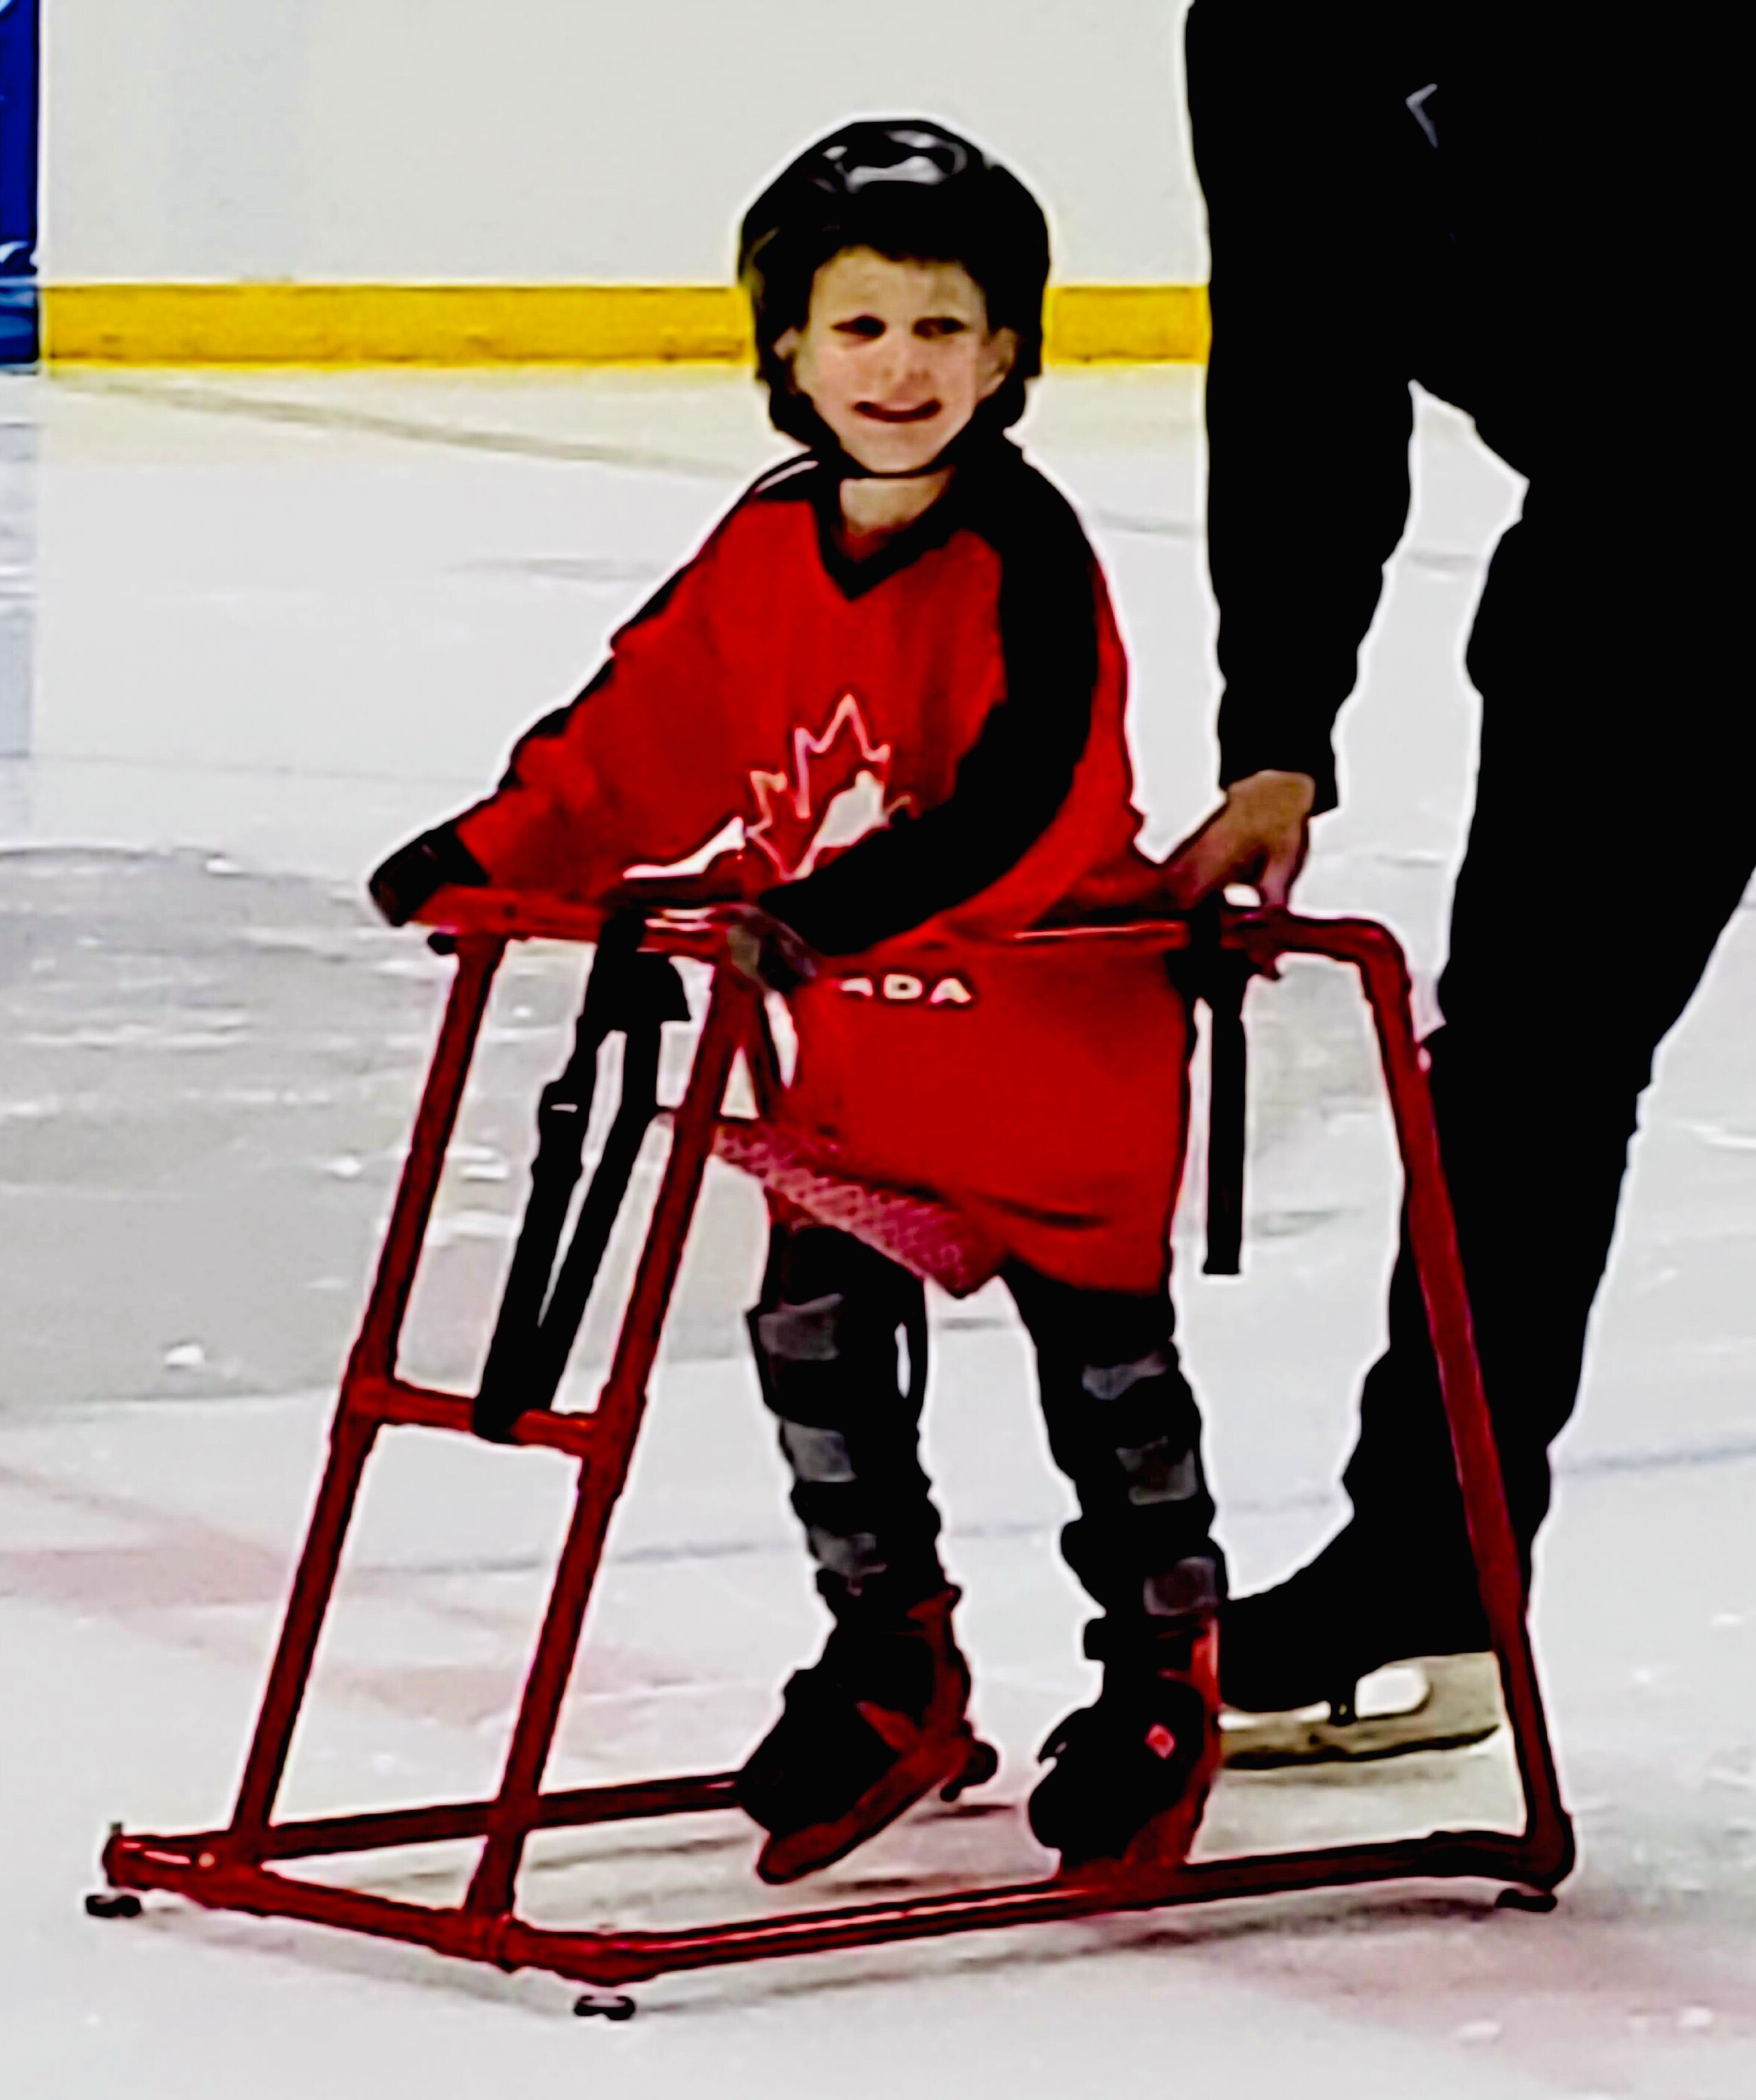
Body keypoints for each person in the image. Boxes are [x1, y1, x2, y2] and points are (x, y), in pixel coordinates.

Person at [369, 120, 1227, 1883]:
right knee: (814, 1347)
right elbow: (644, 730)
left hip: (1048, 1051)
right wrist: (492, 849)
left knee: (1106, 1378)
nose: (899, 369)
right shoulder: (767, 543)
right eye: (857, 328)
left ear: (1009, 354)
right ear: (783, 346)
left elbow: (1029, 797)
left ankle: (1162, 1673)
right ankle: (891, 1654)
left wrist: (823, 910)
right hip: (856, 1053)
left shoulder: (1022, 555)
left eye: (942, 329)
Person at [1173, 9, 1756, 1911]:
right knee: (1513, 1079)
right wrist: (1280, 727)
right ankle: (1425, 1575)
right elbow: (1301, 349)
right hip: (1633, 552)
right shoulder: (1271, 29)